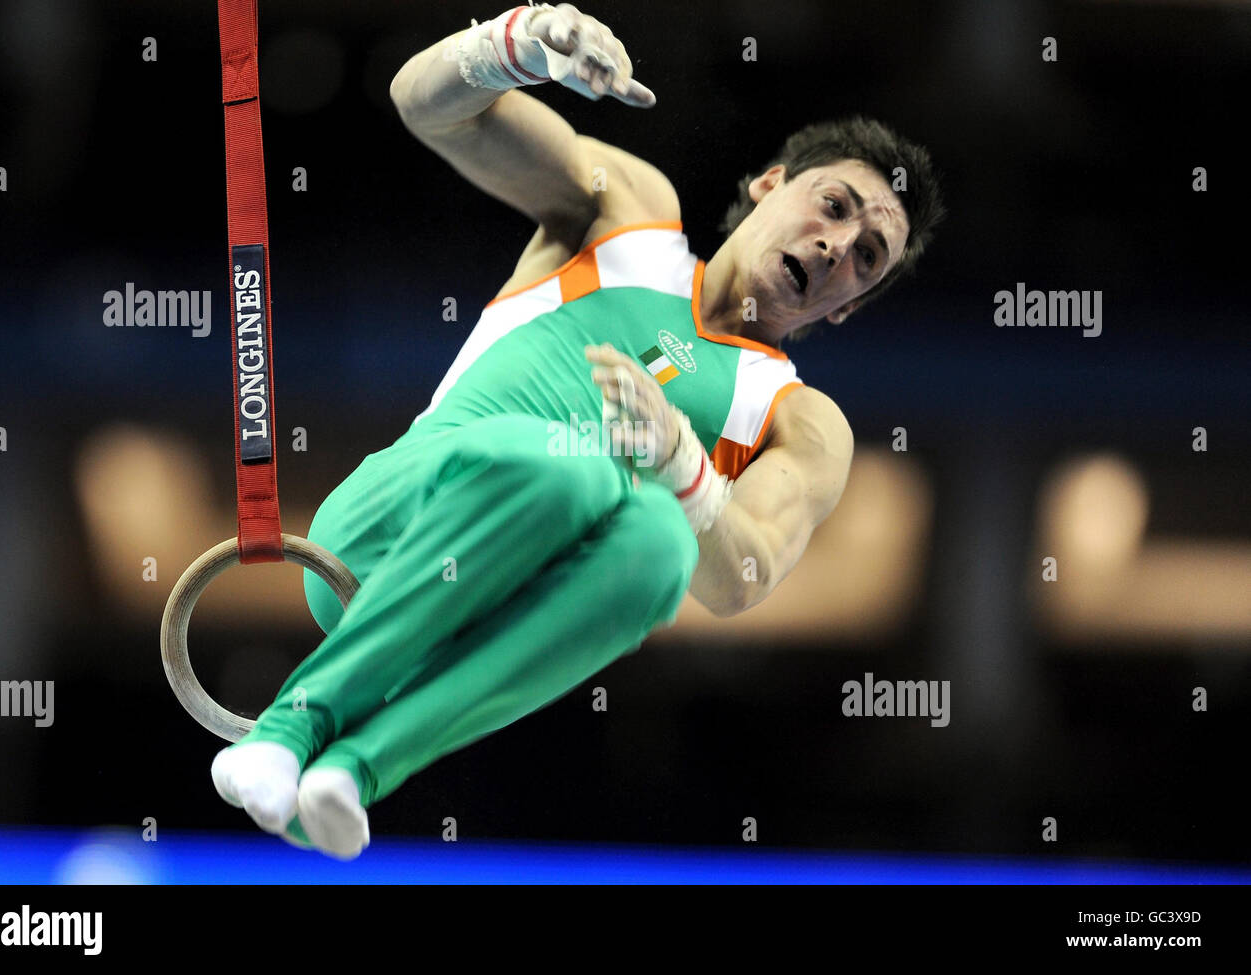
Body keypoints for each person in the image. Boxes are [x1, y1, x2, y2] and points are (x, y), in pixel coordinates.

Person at [211, 1, 945, 859]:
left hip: (493, 616)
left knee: (662, 552)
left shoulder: (800, 419)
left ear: (850, 307)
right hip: (381, 537)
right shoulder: (630, 216)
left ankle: (354, 768)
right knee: (581, 470)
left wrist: (682, 460)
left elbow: (742, 577)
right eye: (834, 205)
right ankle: (294, 725)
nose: (836, 247)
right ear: (771, 184)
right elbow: (423, 102)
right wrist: (515, 45)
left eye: (866, 257)